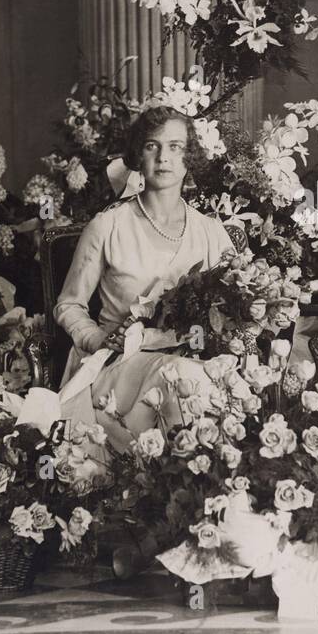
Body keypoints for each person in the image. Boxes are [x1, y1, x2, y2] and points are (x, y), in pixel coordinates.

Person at [54, 106, 234, 454]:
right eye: (152, 146)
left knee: (198, 376)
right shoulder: (108, 226)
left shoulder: (211, 233)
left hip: (191, 360)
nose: (163, 157)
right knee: (183, 376)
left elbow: (232, 309)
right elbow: (69, 305)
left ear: (189, 157)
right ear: (138, 154)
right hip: (119, 367)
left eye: (176, 147)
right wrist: (96, 338)